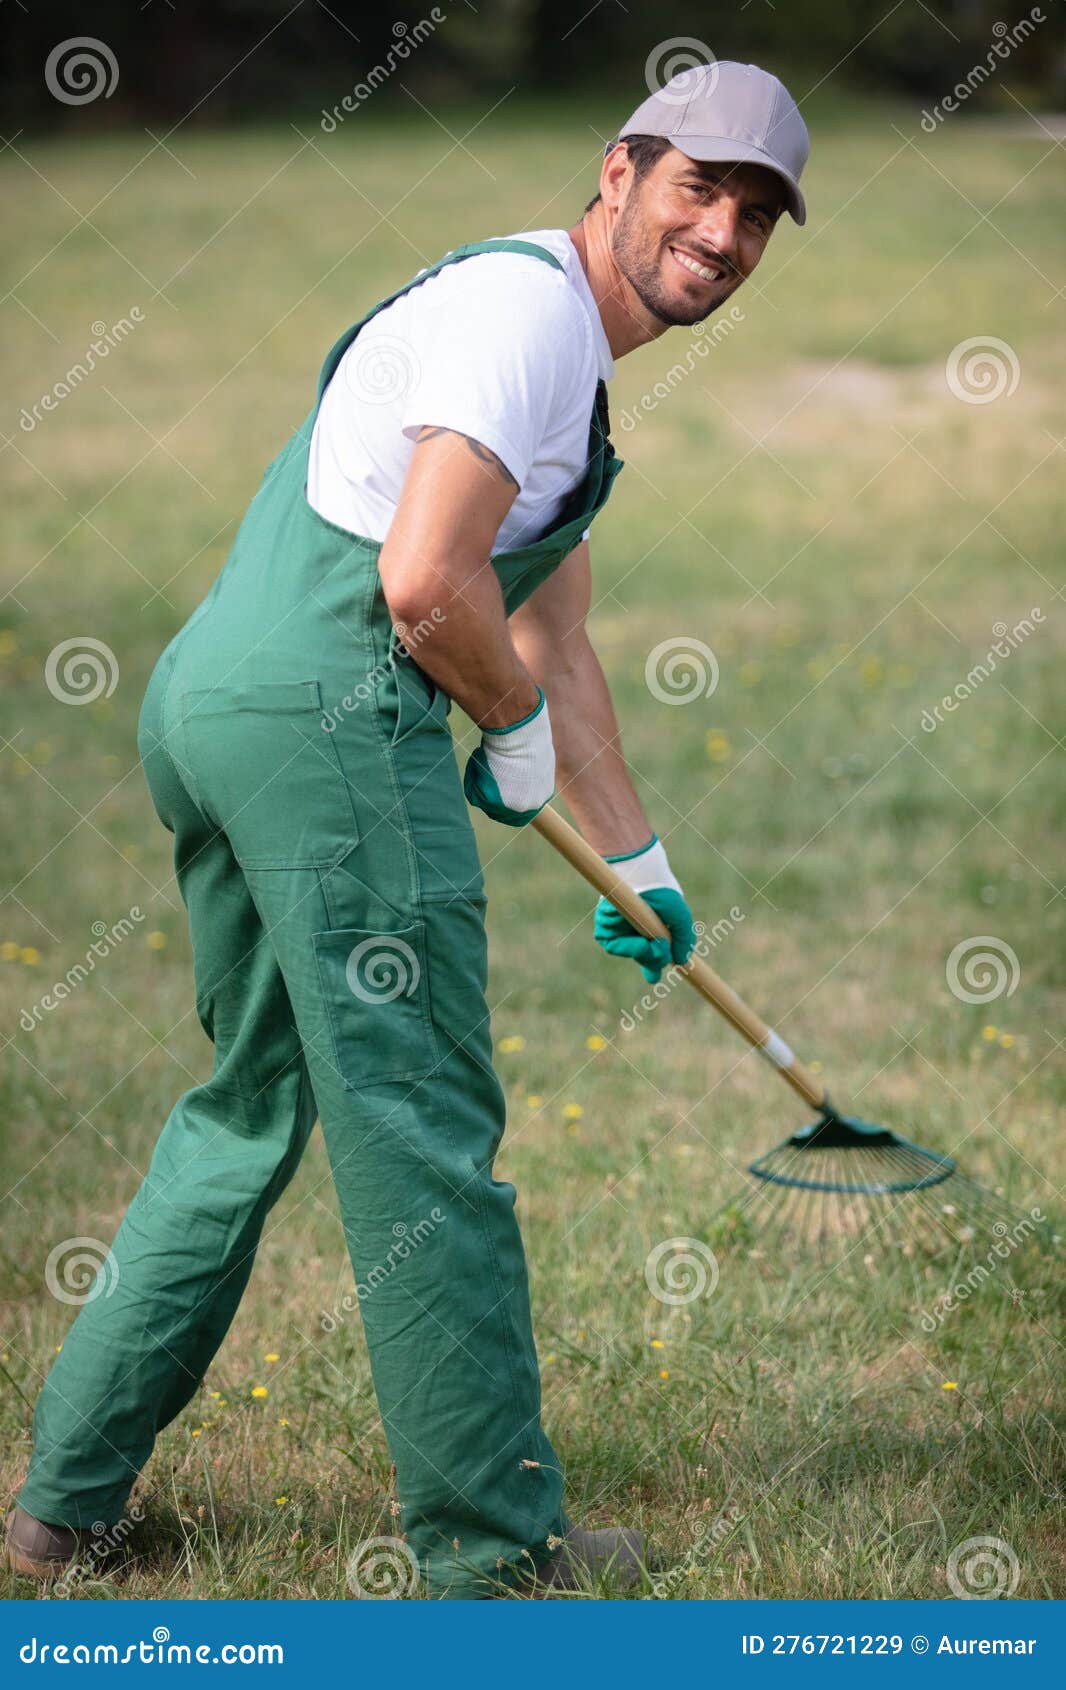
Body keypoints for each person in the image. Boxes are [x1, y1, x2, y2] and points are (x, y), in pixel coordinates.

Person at [8, 60, 808, 1599]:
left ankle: (63, 1503)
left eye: (757, 213)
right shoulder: (527, 323)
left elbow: (549, 630)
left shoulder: (552, 357)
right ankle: (492, 1551)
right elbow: (429, 584)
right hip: (331, 731)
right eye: (699, 188)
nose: (721, 233)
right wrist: (495, 730)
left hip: (218, 703)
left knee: (250, 1102)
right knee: (422, 1126)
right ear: (618, 170)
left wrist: (635, 856)